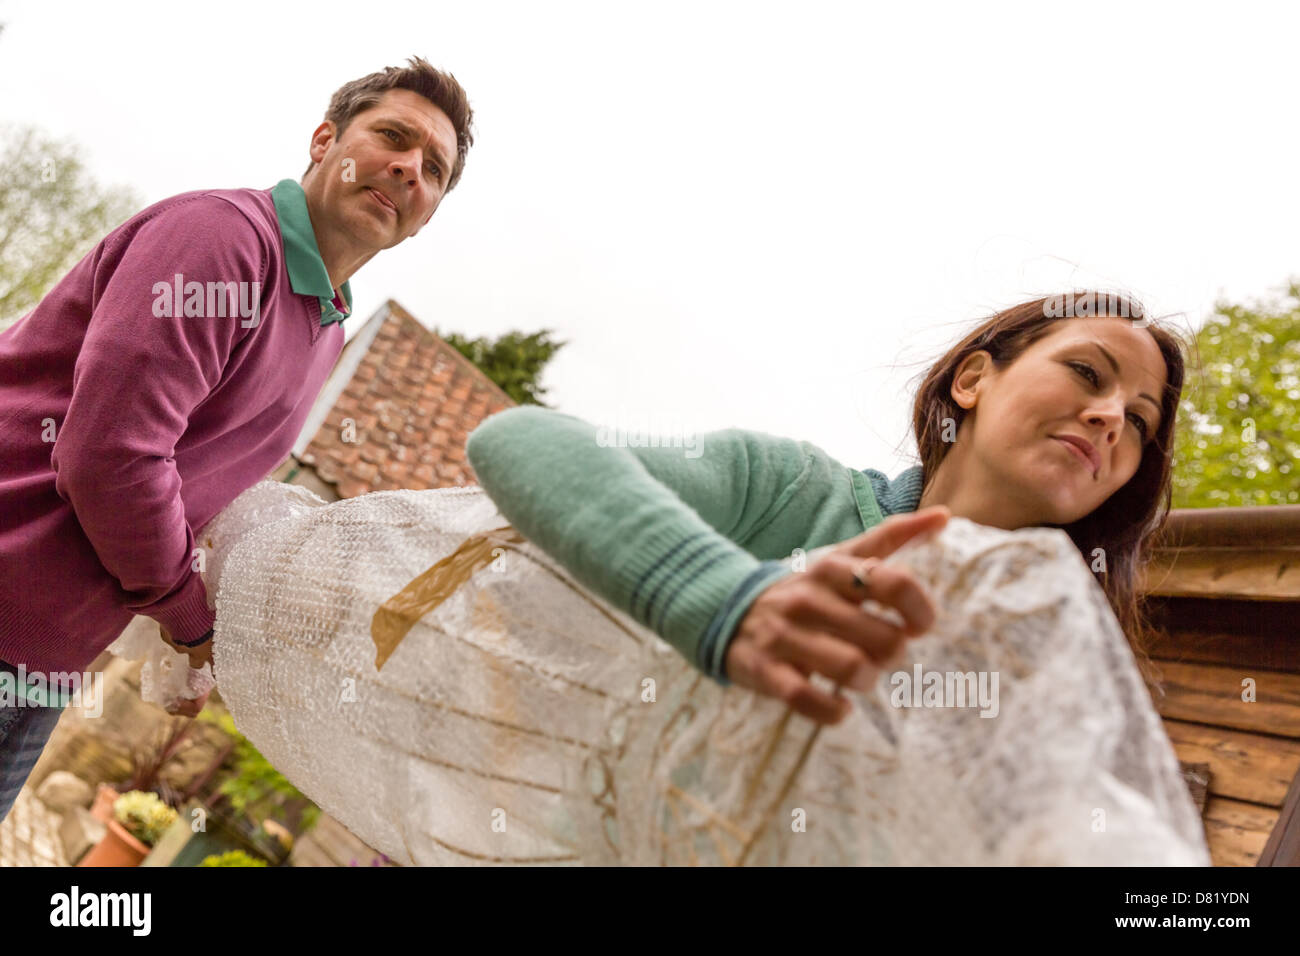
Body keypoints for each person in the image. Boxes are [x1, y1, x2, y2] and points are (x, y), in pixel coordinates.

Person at [0, 56, 475, 823]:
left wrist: (213, 634)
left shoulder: (326, 328)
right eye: (392, 134)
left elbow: (193, 483)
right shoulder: (223, 241)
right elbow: (110, 455)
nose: (408, 167)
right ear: (325, 141)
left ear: (427, 213)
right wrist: (191, 622)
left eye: (434, 169)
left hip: (45, 660)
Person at [464, 293, 1186, 724]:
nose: (1110, 418)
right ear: (973, 380)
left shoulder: (1055, 678)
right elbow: (522, 440)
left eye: (1141, 422)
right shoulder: (790, 489)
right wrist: (725, 603)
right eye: (1087, 373)